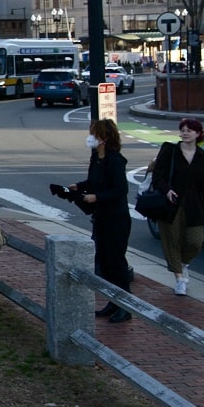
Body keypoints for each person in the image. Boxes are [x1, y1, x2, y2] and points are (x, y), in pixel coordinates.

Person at [70, 118, 133, 322]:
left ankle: (125, 306)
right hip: (101, 217)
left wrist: (97, 197)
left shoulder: (115, 160)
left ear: (104, 138)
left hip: (116, 218)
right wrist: (79, 186)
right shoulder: (96, 158)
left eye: (94, 134)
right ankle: (112, 302)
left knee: (117, 262)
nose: (90, 138)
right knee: (105, 262)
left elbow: (120, 189)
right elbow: (93, 181)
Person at [151, 117, 204, 297]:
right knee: (171, 240)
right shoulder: (170, 150)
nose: (185, 133)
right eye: (183, 130)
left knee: (195, 242)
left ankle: (183, 263)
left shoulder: (203, 157)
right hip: (171, 204)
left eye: (190, 130)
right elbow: (158, 176)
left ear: (198, 133)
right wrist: (167, 190)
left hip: (194, 205)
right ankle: (180, 279)